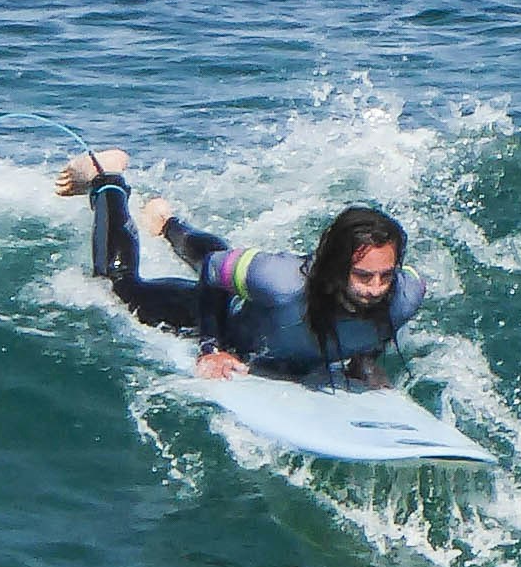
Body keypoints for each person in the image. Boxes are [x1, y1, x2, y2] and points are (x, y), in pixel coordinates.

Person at [57, 151, 425, 390]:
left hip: (262, 312)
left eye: (385, 275)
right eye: (363, 276)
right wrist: (211, 347)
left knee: (226, 261)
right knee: (117, 284)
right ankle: (108, 179)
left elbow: (377, 318)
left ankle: (166, 221)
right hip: (222, 318)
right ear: (335, 268)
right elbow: (213, 274)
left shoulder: (405, 295)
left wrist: (364, 362)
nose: (377, 287)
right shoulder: (282, 281)